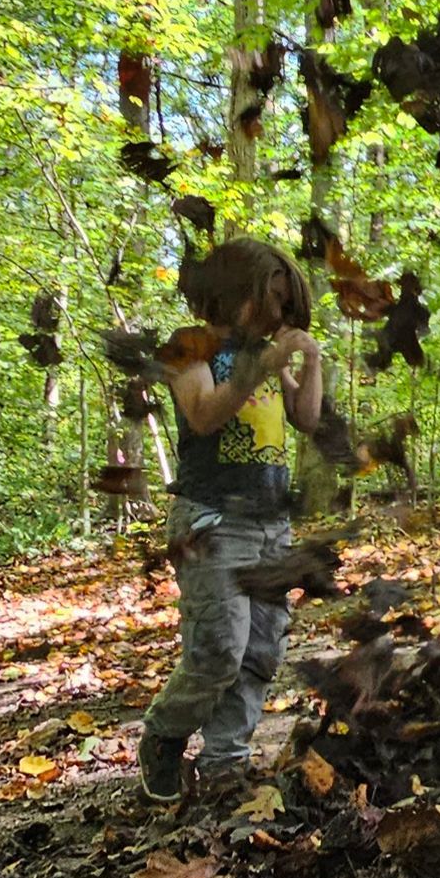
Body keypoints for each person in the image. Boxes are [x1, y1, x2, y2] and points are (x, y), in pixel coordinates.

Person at [139, 241, 324, 804]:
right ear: (240, 287)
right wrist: (257, 369)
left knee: (261, 650)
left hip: (270, 524)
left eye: (288, 307)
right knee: (219, 646)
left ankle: (225, 760)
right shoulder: (189, 347)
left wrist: (308, 364)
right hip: (211, 520)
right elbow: (201, 414)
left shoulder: (265, 352)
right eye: (274, 300)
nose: (280, 316)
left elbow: (307, 418)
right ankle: (164, 735)